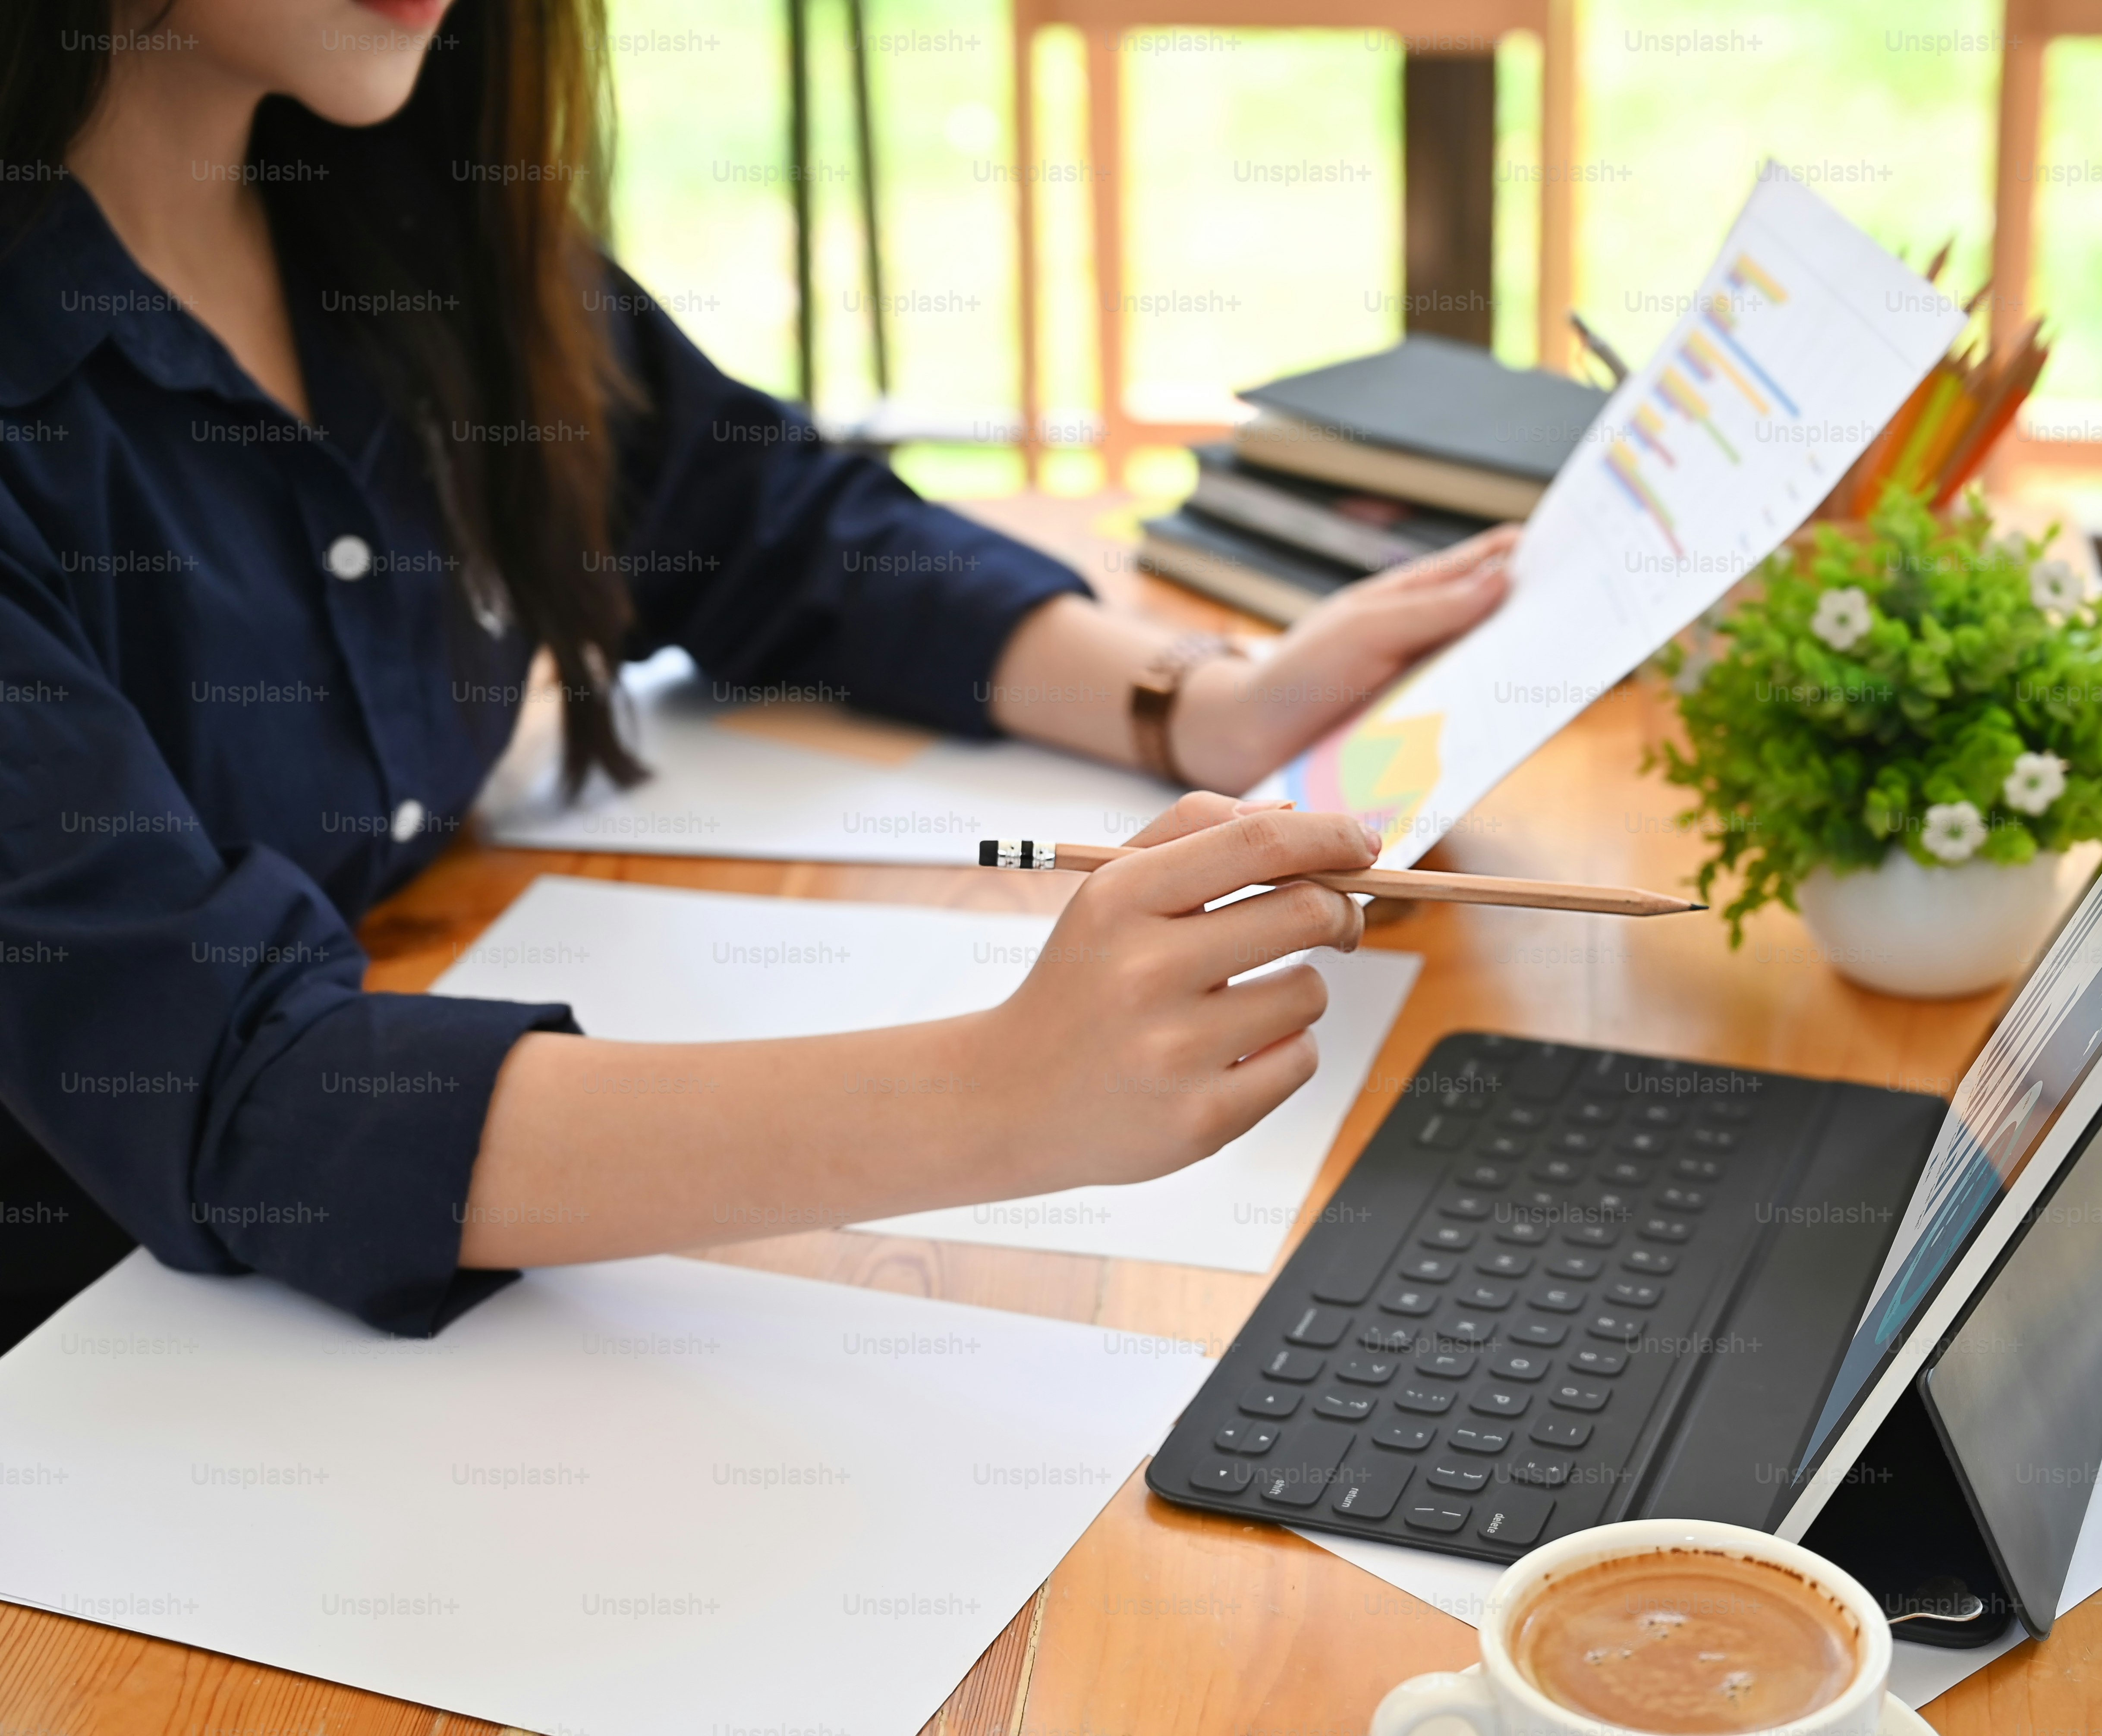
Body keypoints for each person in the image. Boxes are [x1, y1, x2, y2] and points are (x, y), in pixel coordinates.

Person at [0, 0, 1516, 1344]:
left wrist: (1197, 702)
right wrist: (996, 1097)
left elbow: (755, 516)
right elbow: (239, 1089)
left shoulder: (389, 203)